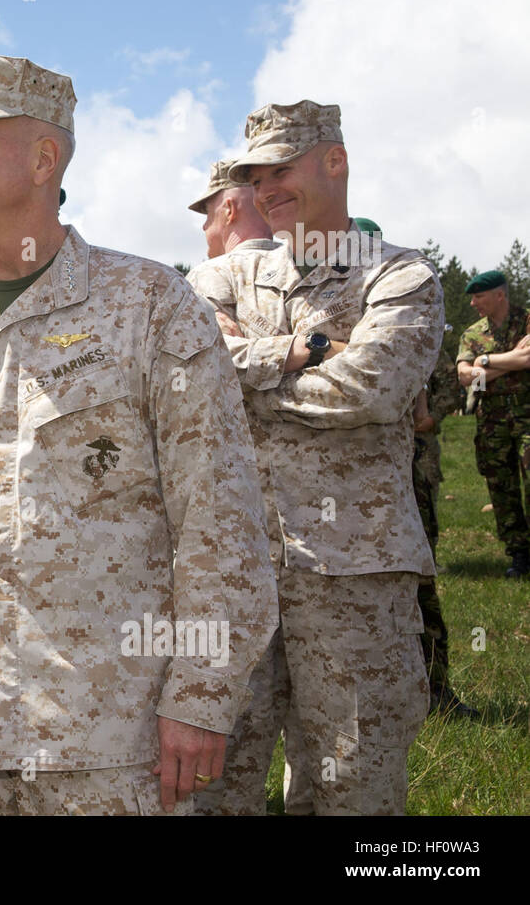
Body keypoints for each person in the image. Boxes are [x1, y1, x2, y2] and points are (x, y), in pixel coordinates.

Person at [0, 47, 278, 816]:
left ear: (44, 157)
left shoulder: (151, 307)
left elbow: (222, 522)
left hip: (113, 747)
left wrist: (202, 698)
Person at [189, 100, 442, 815]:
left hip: (354, 571)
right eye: (255, 176)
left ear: (336, 162)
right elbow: (190, 369)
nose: (267, 189)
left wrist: (248, 375)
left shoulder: (400, 278)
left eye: (283, 168)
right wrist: (293, 357)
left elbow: (370, 390)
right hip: (232, 566)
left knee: (350, 779)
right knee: (211, 773)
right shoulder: (226, 277)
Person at [412, 344, 478, 717]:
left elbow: (450, 387)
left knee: (421, 579)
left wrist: (431, 417)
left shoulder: (419, 335)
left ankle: (436, 689)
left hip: (416, 461)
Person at [456, 270, 530, 577]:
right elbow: (465, 379)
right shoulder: (472, 334)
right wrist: (512, 358)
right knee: (502, 488)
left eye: (479, 297)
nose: (474, 303)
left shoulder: (526, 321)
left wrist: (484, 362)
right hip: (492, 421)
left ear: (500, 295)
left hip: (527, 417)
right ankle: (520, 555)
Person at [188, 159, 272, 259]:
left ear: (229, 210)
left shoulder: (211, 272)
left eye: (209, 214)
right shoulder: (293, 261)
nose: (204, 226)